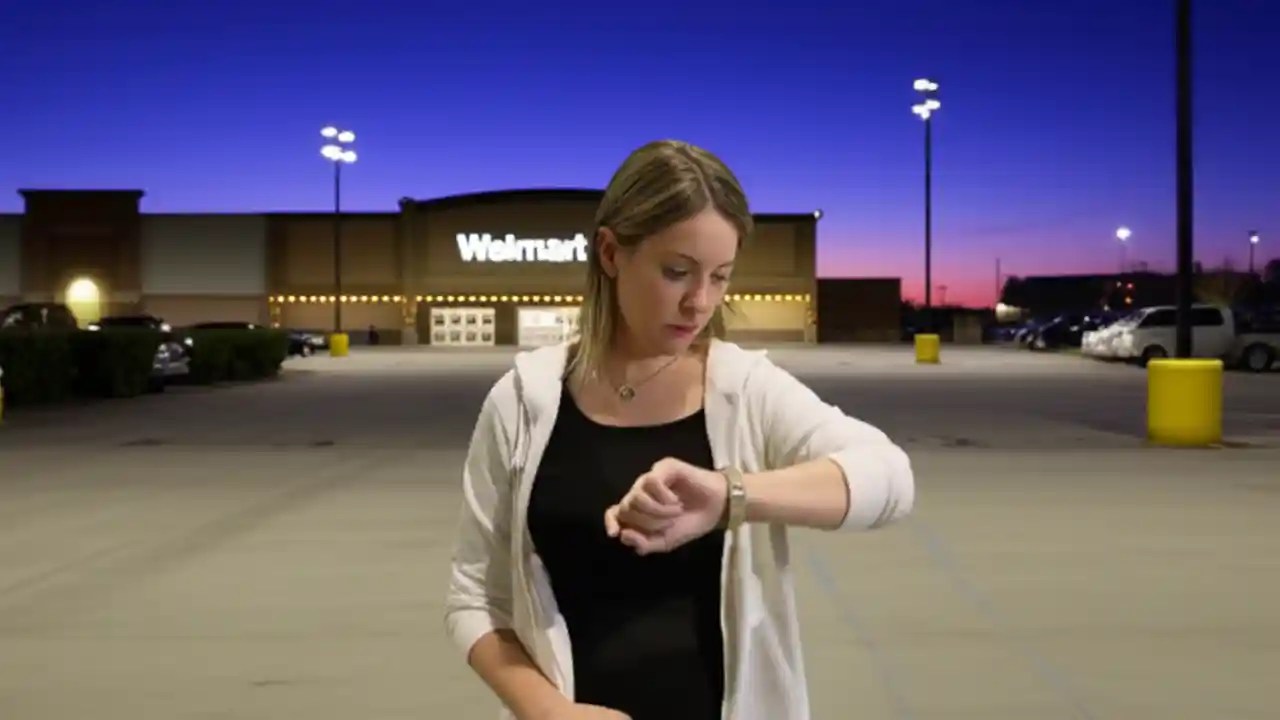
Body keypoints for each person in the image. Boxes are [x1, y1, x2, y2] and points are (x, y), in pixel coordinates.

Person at [444, 139, 915, 720]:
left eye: (720, 277)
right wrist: (547, 710)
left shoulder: (746, 390)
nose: (701, 302)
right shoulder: (522, 402)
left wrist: (730, 496)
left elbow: (891, 479)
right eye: (677, 272)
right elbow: (475, 598)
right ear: (610, 253)